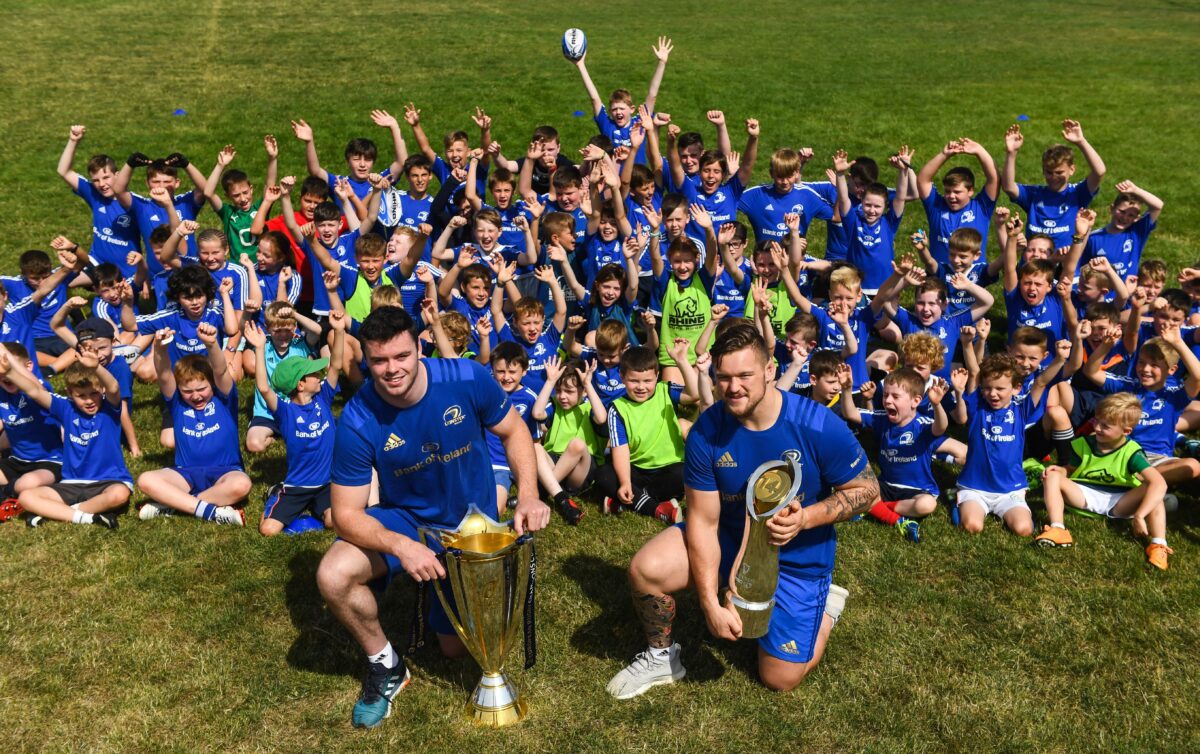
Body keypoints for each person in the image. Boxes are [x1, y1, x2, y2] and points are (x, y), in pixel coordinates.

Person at [606, 322, 878, 698]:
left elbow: (868, 489)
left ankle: (825, 608)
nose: (733, 388)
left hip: (798, 560)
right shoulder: (706, 431)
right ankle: (661, 657)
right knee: (647, 568)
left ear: (770, 371)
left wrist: (806, 518)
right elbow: (701, 522)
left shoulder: (817, 424)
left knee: (778, 679)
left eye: (744, 375)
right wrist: (708, 604)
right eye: (724, 377)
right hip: (730, 540)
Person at [315, 306, 549, 730]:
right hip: (408, 520)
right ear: (365, 358)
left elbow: (516, 431)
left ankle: (453, 587)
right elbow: (345, 514)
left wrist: (528, 495)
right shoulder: (357, 418)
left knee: (454, 651)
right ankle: (386, 666)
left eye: (401, 356)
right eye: (379, 360)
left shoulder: (465, 377)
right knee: (333, 575)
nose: (391, 369)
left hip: (473, 524)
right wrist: (401, 545)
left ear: (419, 346)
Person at [1035, 393, 1173, 569]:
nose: (1098, 428)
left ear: (1126, 431)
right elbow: (1070, 470)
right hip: (1085, 494)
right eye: (1096, 421)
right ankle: (1058, 528)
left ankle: (1158, 544)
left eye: (1105, 426)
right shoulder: (1084, 443)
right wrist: (1061, 470)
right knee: (1053, 475)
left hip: (1120, 501)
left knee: (1155, 492)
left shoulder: (1132, 452)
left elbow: (1160, 483)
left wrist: (1139, 515)